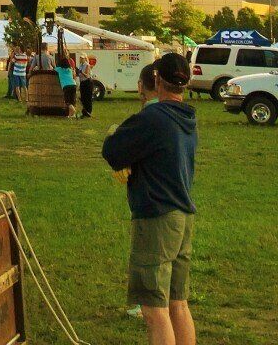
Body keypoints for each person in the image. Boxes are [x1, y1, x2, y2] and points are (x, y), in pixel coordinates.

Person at [102, 52, 198, 345]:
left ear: (156, 79)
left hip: (157, 218)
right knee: (177, 304)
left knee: (154, 310)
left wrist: (115, 134)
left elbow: (113, 151)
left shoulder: (155, 118)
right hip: (181, 216)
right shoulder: (187, 117)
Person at [56, 47, 78, 116]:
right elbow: (74, 74)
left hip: (66, 86)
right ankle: (71, 115)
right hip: (73, 85)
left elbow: (51, 68)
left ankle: (73, 111)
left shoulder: (59, 69)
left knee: (67, 102)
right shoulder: (70, 69)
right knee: (73, 100)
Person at [78, 53, 97, 119]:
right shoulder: (80, 65)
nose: (81, 59)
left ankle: (88, 112)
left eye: (82, 58)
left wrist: (81, 72)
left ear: (85, 59)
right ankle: (84, 112)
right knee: (83, 98)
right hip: (82, 82)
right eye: (80, 58)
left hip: (87, 82)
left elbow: (87, 75)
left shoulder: (87, 65)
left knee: (87, 98)